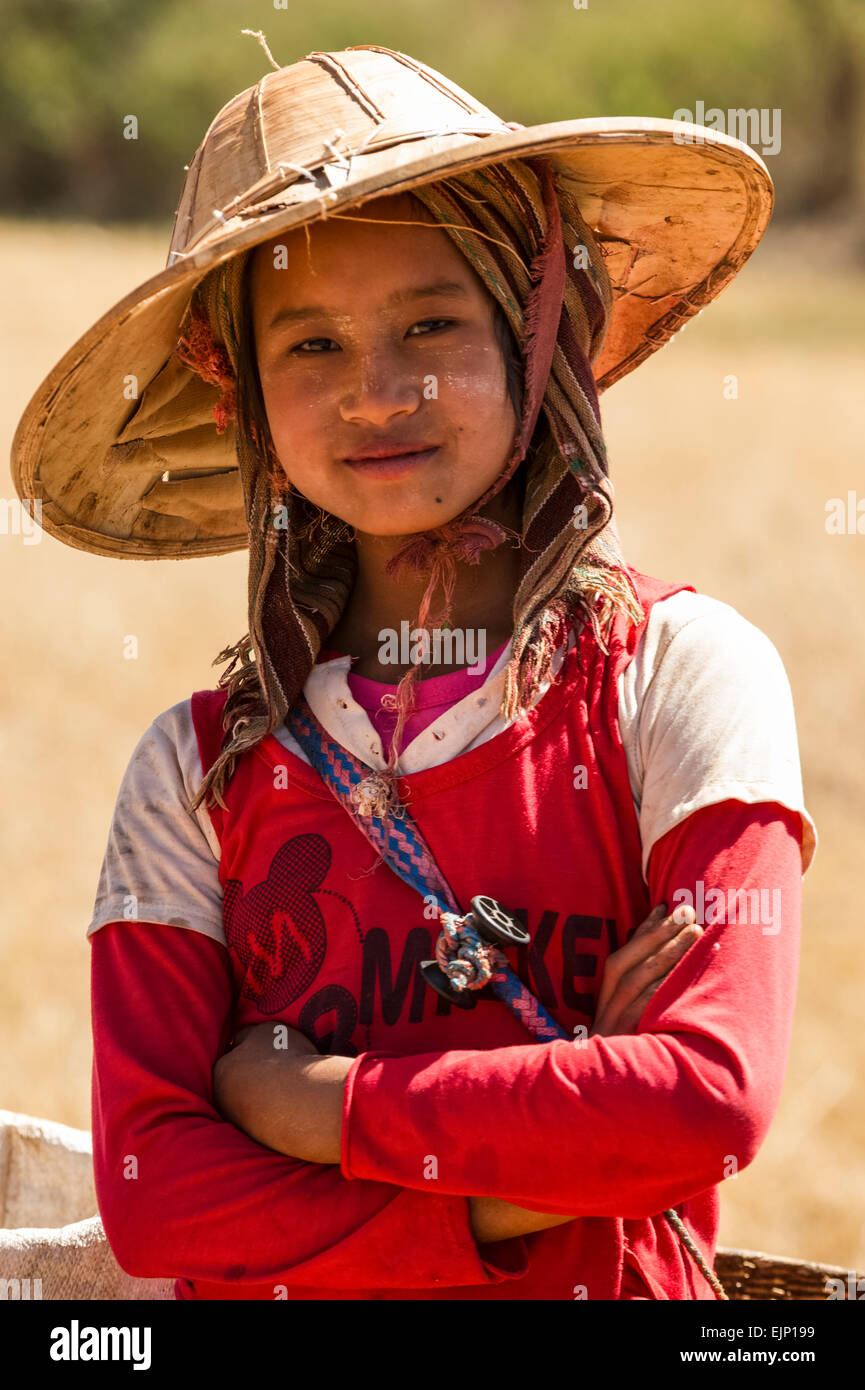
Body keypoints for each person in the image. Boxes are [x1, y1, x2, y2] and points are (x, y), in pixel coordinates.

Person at [13, 44, 816, 1300]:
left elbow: (706, 1099)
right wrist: (554, 1159)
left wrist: (312, 1100)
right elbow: (155, 1201)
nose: (378, 393)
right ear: (244, 398)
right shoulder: (194, 771)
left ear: (539, 323)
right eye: (311, 345)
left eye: (431, 323)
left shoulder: (679, 676)